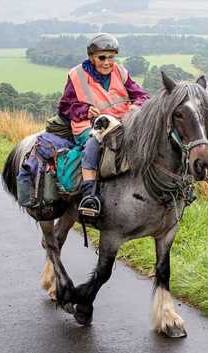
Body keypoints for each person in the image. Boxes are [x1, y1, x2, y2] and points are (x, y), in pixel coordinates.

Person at [57, 33, 149, 217]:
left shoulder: (121, 72)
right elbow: (64, 108)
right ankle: (89, 195)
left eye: (111, 57)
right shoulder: (77, 76)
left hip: (120, 124)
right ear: (91, 57)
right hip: (89, 126)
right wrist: (84, 110)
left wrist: (133, 108)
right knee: (93, 143)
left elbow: (142, 95)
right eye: (102, 57)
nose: (107, 62)